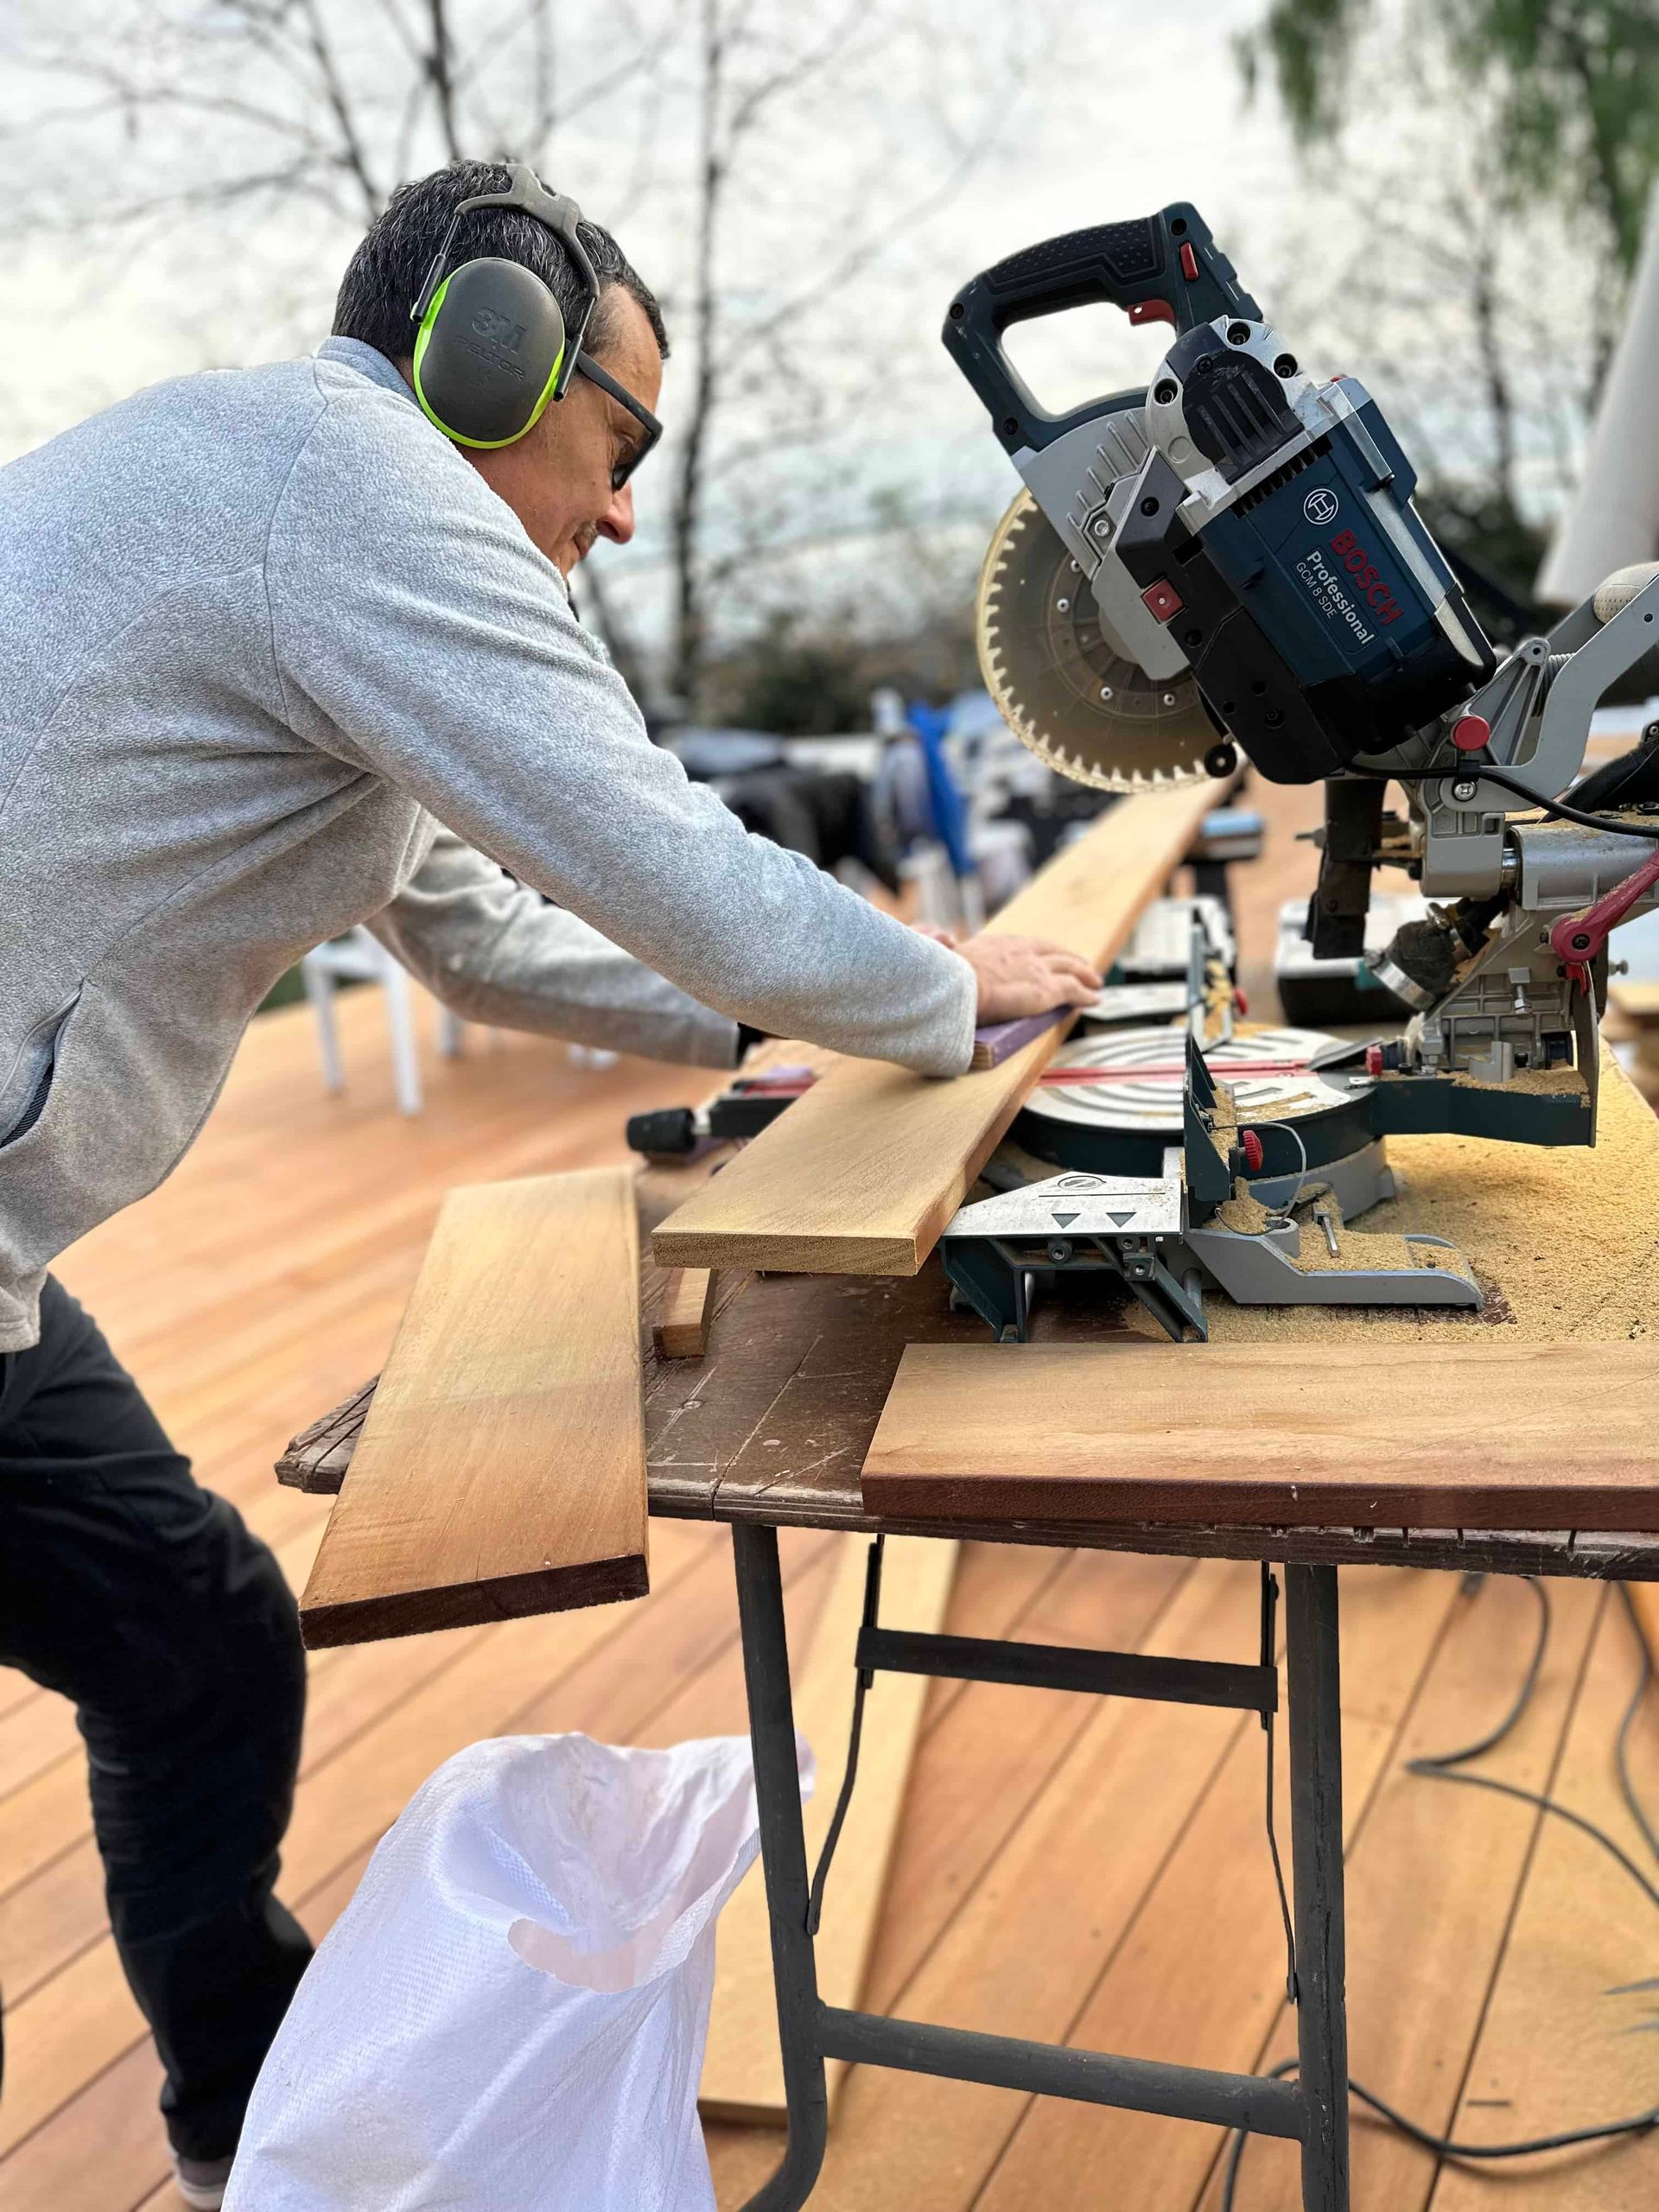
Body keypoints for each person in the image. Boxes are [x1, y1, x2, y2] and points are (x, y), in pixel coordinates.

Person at [0, 159, 1101, 2204]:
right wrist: (936, 984)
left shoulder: (308, 528)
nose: (615, 507)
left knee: (197, 1632)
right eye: (623, 441)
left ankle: (254, 2136)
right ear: (490, 351)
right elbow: (647, 839)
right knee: (194, 1635)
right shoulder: (349, 486)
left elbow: (482, 927)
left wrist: (784, 1037)